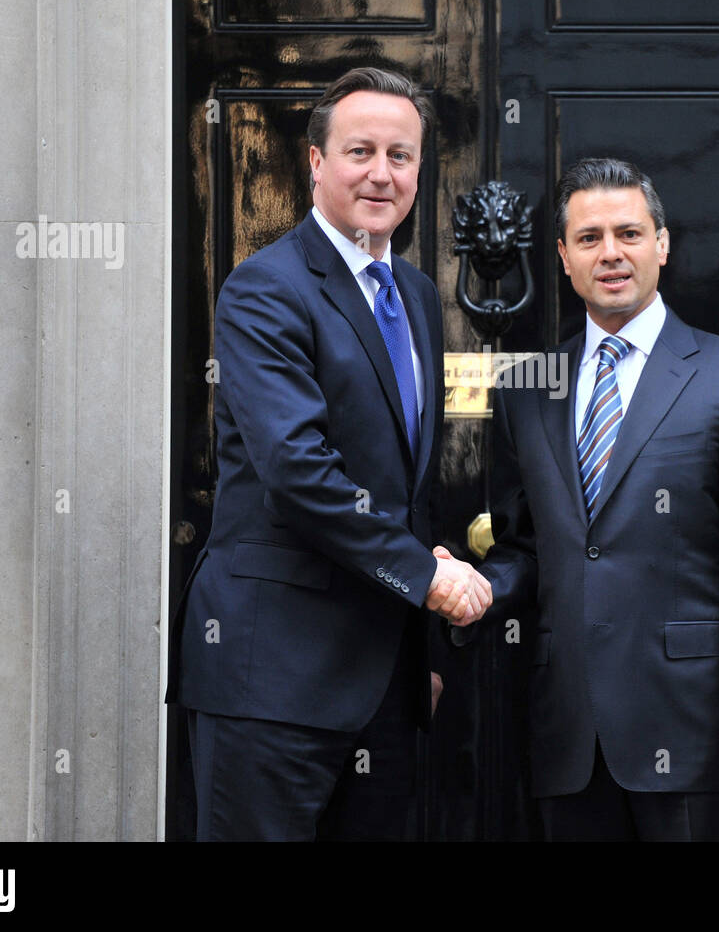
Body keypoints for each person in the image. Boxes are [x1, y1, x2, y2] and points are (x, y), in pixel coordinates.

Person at [167, 66, 489, 841]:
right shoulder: (264, 289)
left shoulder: (413, 294)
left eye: (402, 155)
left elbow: (408, 479)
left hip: (386, 686)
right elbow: (297, 473)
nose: (382, 172)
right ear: (316, 163)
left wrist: (425, 652)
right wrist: (430, 580)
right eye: (360, 151)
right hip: (271, 679)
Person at [447, 157, 719, 841]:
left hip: (698, 736)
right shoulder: (529, 391)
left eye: (629, 233)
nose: (610, 252)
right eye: (588, 238)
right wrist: (480, 591)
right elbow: (529, 546)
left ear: (662, 245)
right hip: (569, 738)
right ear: (562, 256)